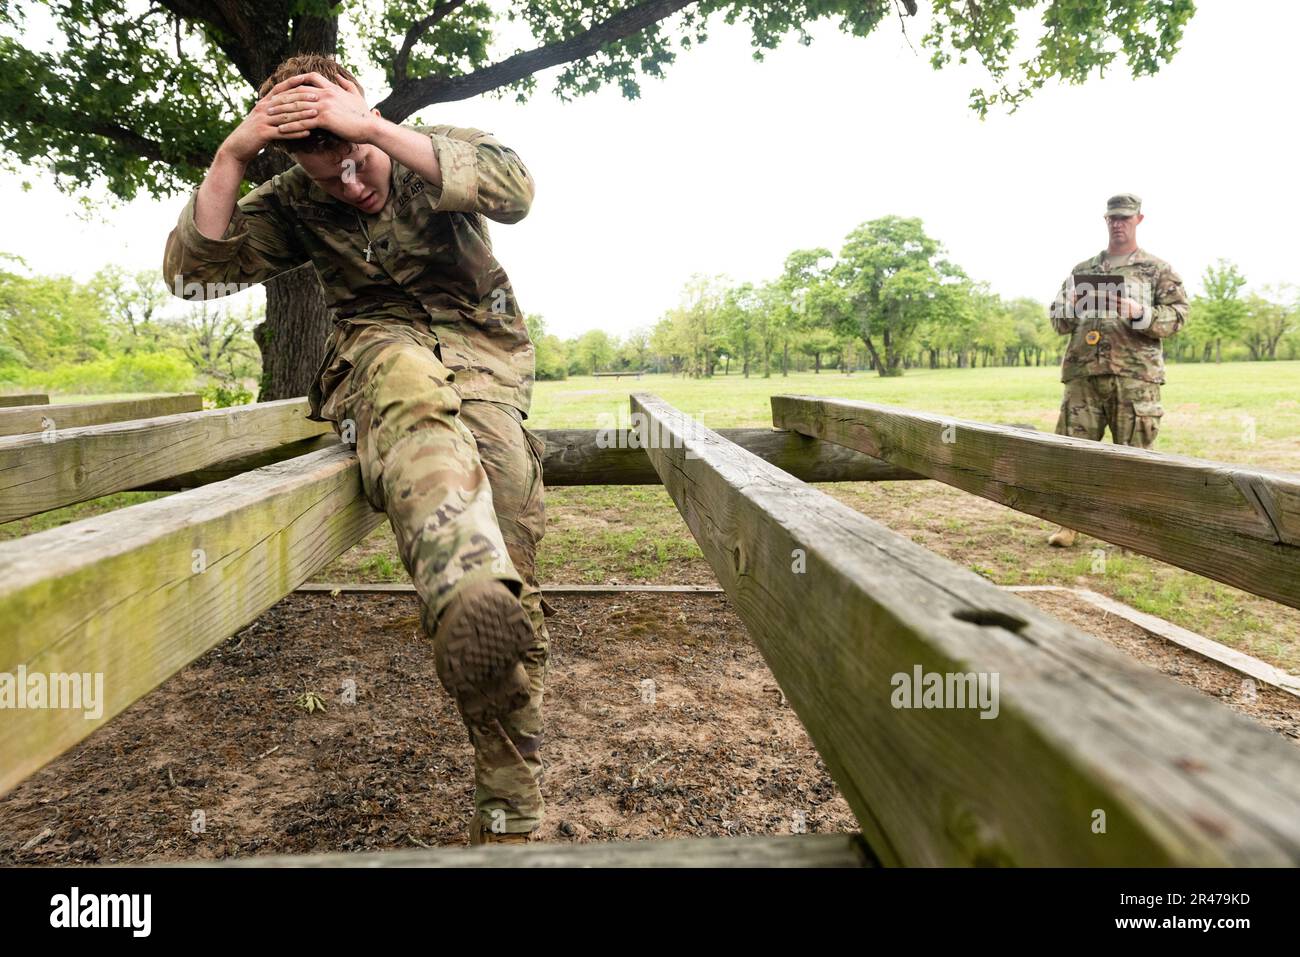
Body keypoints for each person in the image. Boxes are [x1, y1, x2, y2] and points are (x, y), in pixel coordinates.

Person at [162, 54, 549, 845]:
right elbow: (192, 275)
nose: (348, 180)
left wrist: (376, 131)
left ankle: (509, 787)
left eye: (354, 157)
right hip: (375, 355)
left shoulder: (422, 147)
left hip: (485, 358)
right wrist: (233, 154)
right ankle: (461, 584)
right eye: (325, 168)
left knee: (508, 505)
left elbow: (516, 191)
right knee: (408, 386)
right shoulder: (296, 198)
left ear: (365, 115)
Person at [1045, 193, 1189, 548]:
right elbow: (1057, 319)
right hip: (1084, 376)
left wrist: (1138, 312)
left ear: (1139, 219)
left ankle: (1134, 531)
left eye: (1125, 217)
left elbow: (1179, 315)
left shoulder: (1157, 270)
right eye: (1113, 218)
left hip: (1135, 378)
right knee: (1072, 453)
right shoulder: (1083, 271)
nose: (1118, 223)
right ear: (1105, 220)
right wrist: (1074, 305)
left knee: (1135, 457)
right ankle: (1068, 524)